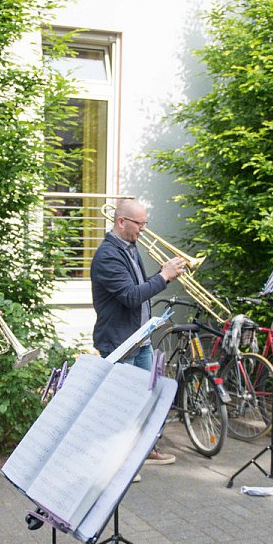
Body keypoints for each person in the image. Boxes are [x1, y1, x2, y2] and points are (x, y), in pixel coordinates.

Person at [90, 197, 185, 465]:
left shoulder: (130, 248)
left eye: (145, 223)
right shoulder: (108, 255)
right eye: (140, 224)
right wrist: (163, 276)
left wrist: (162, 276)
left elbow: (140, 290)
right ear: (122, 221)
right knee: (121, 404)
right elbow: (131, 297)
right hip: (120, 341)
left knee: (145, 399)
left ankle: (143, 450)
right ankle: (117, 464)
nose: (144, 229)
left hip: (140, 338)